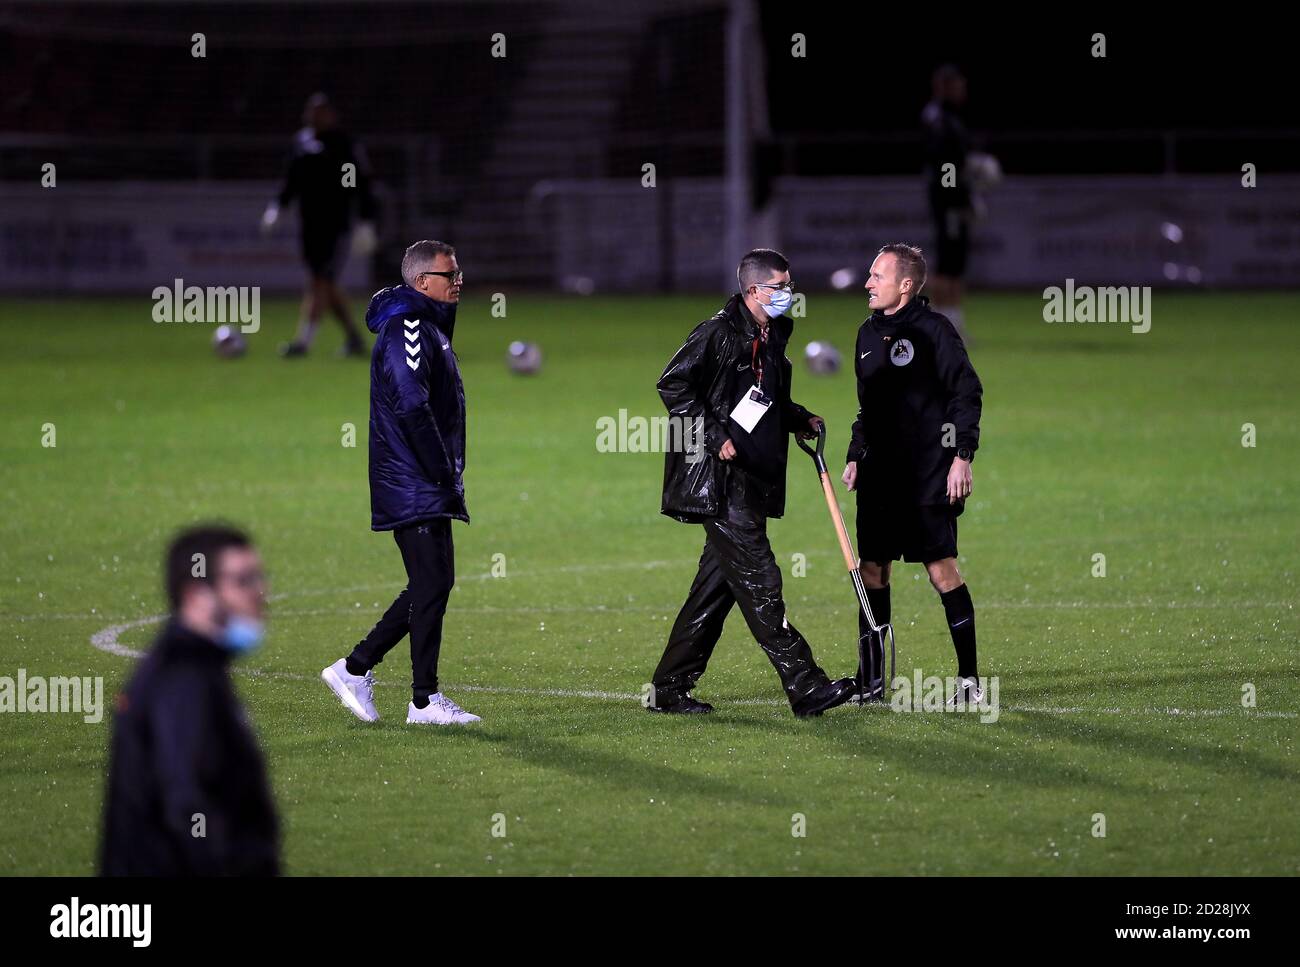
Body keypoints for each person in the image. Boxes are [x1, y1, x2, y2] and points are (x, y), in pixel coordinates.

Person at [648, 248, 859, 718]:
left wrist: (797, 416)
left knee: (714, 591)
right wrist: (713, 433)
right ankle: (805, 686)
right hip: (720, 483)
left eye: (790, 285)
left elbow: (764, 398)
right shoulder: (716, 333)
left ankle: (668, 688)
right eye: (780, 287)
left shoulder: (776, 330)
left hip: (754, 476)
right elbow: (672, 385)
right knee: (762, 583)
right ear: (752, 291)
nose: (788, 295)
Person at [321, 240, 480, 726]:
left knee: (433, 582)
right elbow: (411, 404)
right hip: (413, 479)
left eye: (457, 272)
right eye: (447, 274)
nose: (457, 281)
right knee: (432, 582)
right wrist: (438, 470)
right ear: (420, 283)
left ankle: (376, 678)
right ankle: (409, 693)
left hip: (422, 478)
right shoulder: (409, 327)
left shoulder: (427, 327)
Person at [843, 243, 984, 704]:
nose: (868, 283)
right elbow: (869, 407)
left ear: (904, 285)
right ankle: (871, 679)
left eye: (877, 276)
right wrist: (855, 453)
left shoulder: (935, 331)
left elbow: (967, 391)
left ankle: (968, 683)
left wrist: (962, 455)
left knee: (941, 570)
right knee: (871, 570)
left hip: (928, 472)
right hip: (879, 474)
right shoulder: (865, 334)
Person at [100, 525, 279, 876]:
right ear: (197, 594)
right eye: (243, 581)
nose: (260, 591)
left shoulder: (195, 667)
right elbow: (188, 805)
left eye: (259, 576)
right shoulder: (184, 683)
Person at [262, 92, 378, 358]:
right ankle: (354, 338)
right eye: (312, 111)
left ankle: (303, 342)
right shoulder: (301, 142)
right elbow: (291, 180)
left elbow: (362, 184)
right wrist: (278, 207)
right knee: (325, 284)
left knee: (319, 281)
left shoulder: (344, 144)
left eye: (322, 111)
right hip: (309, 225)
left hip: (337, 225)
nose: (316, 116)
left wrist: (365, 221)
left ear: (331, 115)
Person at [921, 65, 972, 341]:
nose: (962, 91)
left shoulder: (949, 117)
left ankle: (953, 322)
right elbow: (945, 166)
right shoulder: (939, 118)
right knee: (948, 261)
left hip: (950, 199)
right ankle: (943, 324)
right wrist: (958, 198)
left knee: (956, 260)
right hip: (947, 200)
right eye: (958, 85)